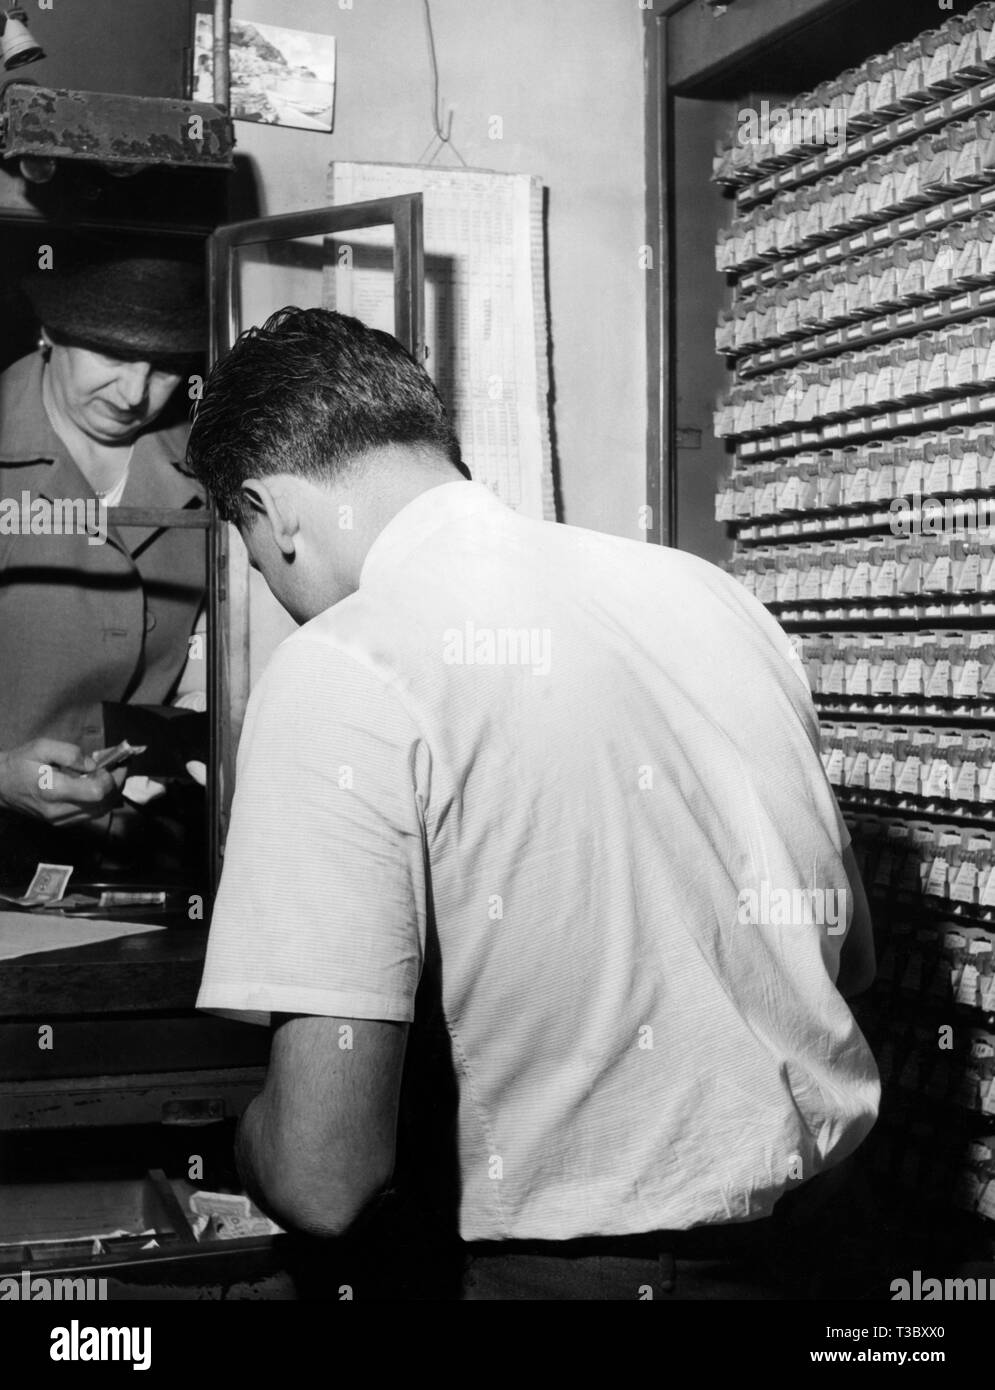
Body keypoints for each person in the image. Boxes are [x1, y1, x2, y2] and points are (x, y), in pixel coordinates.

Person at [191, 307, 880, 1301]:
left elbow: (323, 1175)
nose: (280, 594)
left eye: (259, 568)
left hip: (573, 1280)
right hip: (828, 1252)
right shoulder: (712, 597)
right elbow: (847, 957)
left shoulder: (341, 665)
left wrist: (246, 1140)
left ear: (271, 512)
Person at [0, 237, 209, 888]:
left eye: (167, 363)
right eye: (114, 353)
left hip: (140, 871)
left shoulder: (207, 464)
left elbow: (209, 649)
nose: (135, 392)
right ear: (48, 331)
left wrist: (193, 737)